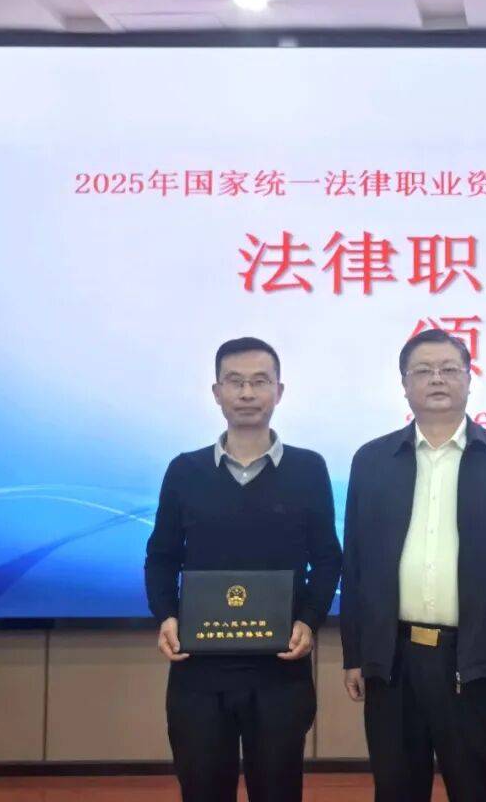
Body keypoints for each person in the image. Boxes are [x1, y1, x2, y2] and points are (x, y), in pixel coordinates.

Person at [340, 328, 486, 802]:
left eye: (449, 369)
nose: (437, 379)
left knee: (478, 787)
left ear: (469, 379)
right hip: (394, 660)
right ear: (404, 384)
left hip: (473, 660)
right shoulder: (371, 461)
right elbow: (355, 566)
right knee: (396, 789)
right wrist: (354, 654)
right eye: (423, 370)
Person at [145, 336, 342, 802]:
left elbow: (328, 557)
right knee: (202, 789)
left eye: (260, 381)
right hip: (198, 672)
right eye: (235, 382)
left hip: (280, 672)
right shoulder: (185, 471)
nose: (247, 393)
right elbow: (162, 556)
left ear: (279, 391)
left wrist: (309, 620)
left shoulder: (308, 469)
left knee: (278, 790)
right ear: (217, 393)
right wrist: (166, 615)